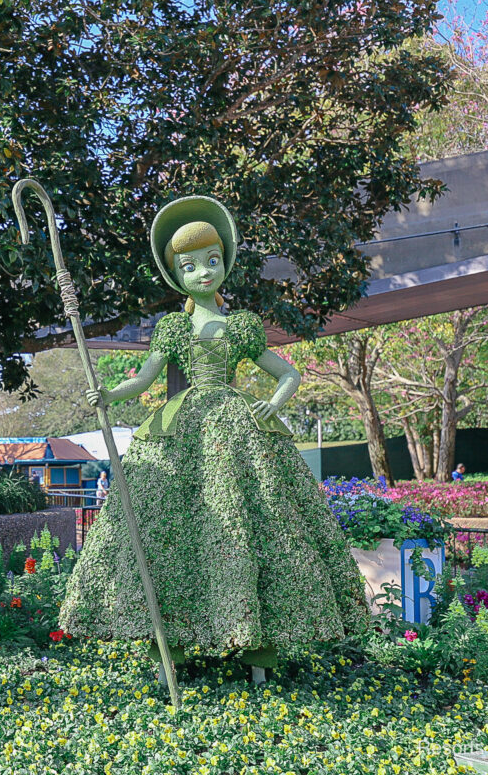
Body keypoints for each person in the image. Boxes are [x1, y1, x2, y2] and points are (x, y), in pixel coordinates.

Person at [59, 196, 366, 684]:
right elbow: (144, 379)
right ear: (176, 274)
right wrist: (108, 393)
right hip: (182, 426)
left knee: (255, 519)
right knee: (174, 526)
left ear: (225, 262)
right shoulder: (174, 327)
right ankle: (173, 647)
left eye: (212, 261)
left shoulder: (242, 324)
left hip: (238, 422)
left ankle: (257, 648)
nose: (203, 273)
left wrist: (275, 403)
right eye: (190, 266)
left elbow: (288, 374)